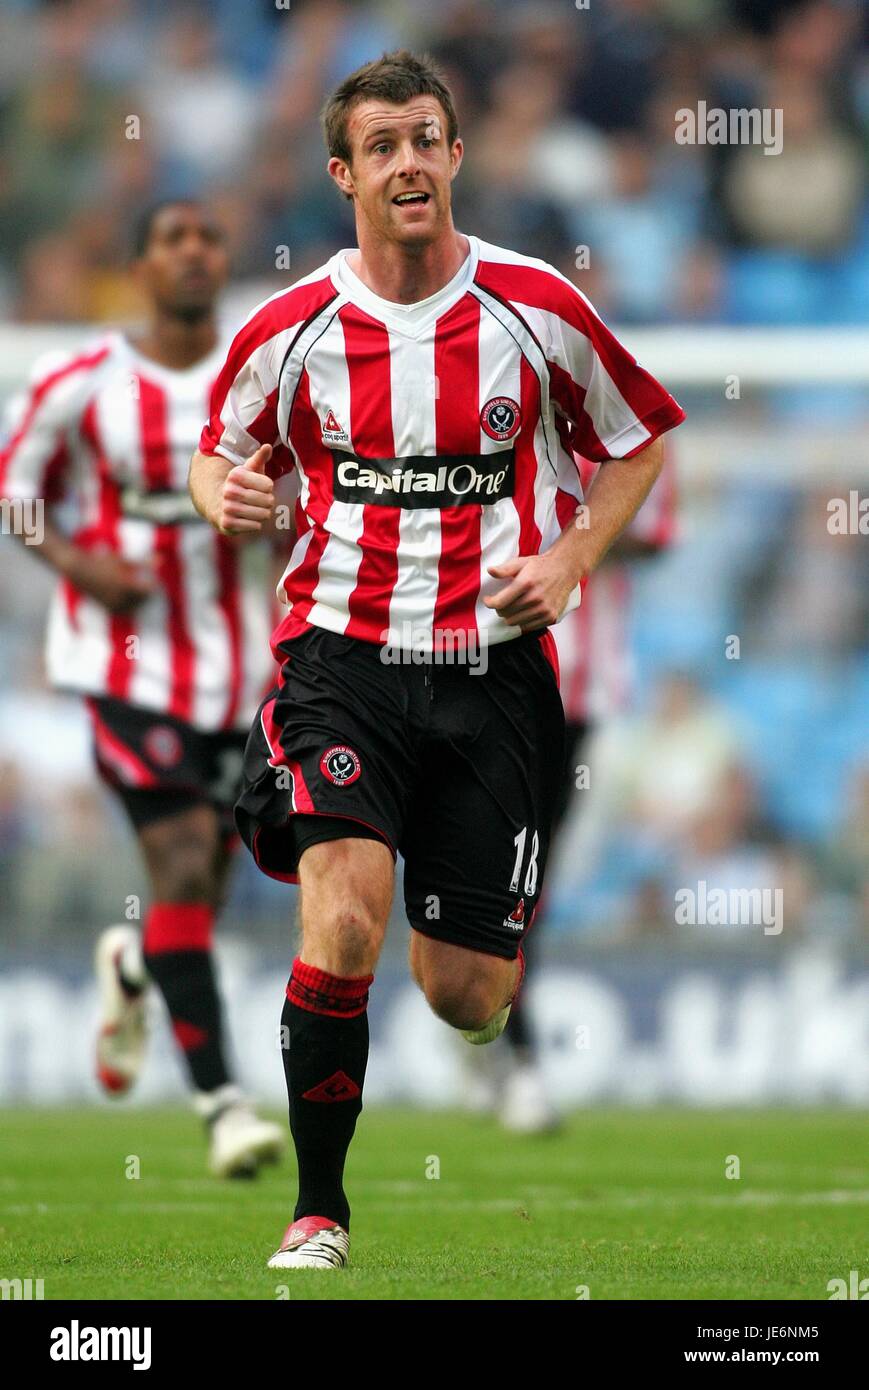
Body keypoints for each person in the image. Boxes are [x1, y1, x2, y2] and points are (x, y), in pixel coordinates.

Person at [189, 50, 685, 1268]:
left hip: (492, 673)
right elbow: (216, 448)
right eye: (382, 146)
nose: (407, 161)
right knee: (343, 919)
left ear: (455, 157)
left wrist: (568, 556)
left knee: (470, 994)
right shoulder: (291, 325)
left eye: (425, 138)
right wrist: (222, 499)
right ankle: (318, 1212)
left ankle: (340, 837)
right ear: (342, 175)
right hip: (340, 656)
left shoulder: (535, 307)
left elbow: (638, 440)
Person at [0, 200, 284, 1178]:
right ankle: (224, 1106)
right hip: (123, 663)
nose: (197, 252)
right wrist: (77, 565)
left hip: (244, 672)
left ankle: (134, 966)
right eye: (175, 239)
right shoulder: (79, 381)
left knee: (204, 880)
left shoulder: (266, 377)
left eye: (211, 237)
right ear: (140, 266)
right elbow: (14, 488)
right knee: (174, 862)